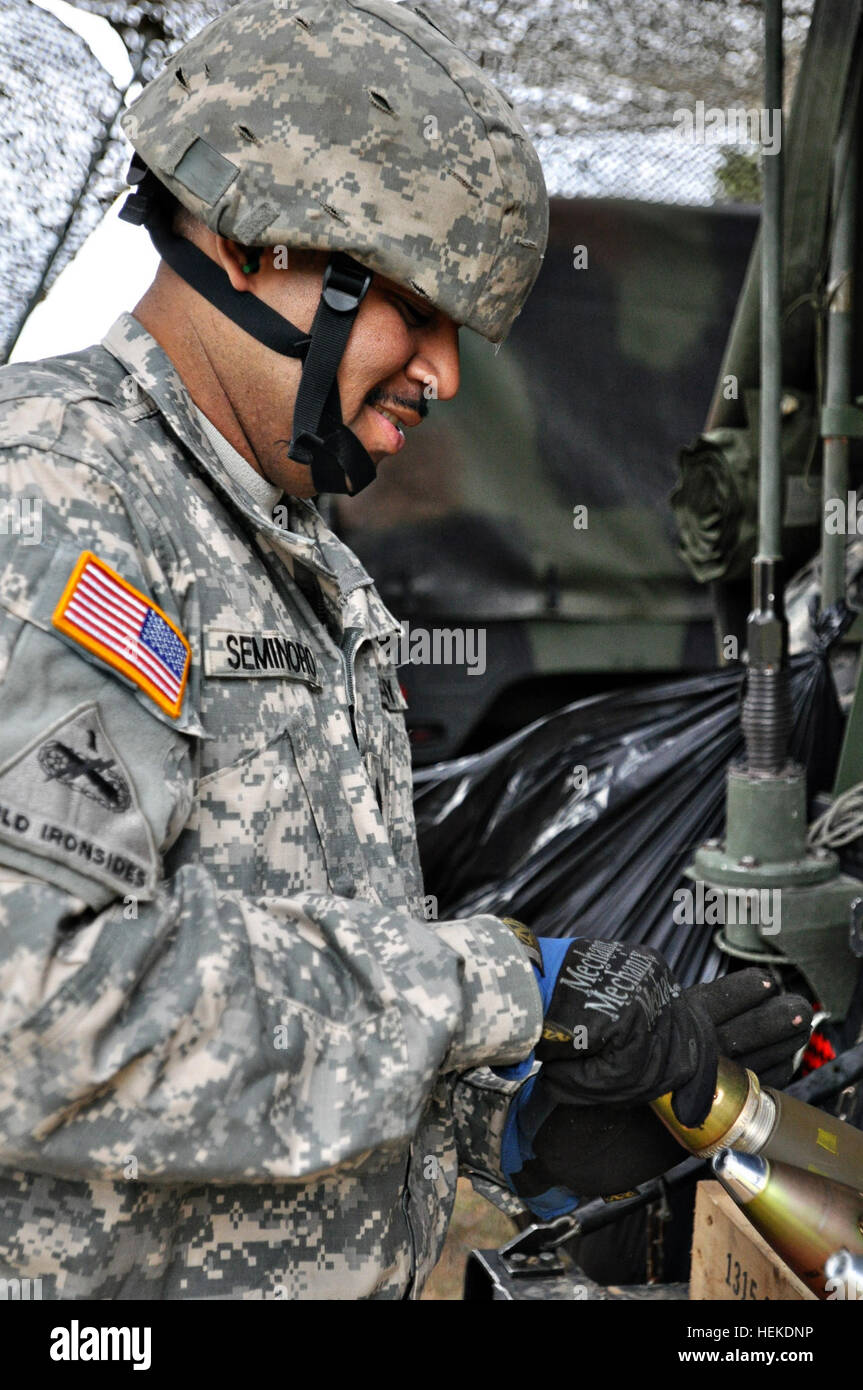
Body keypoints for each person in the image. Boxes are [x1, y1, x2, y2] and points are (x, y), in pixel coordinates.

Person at [0, 0, 811, 1300]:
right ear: (255, 239)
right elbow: (42, 1016)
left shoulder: (311, 564)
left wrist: (528, 1121)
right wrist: (515, 986)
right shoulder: (57, 498)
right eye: (419, 308)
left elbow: (301, 1006)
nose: (443, 375)